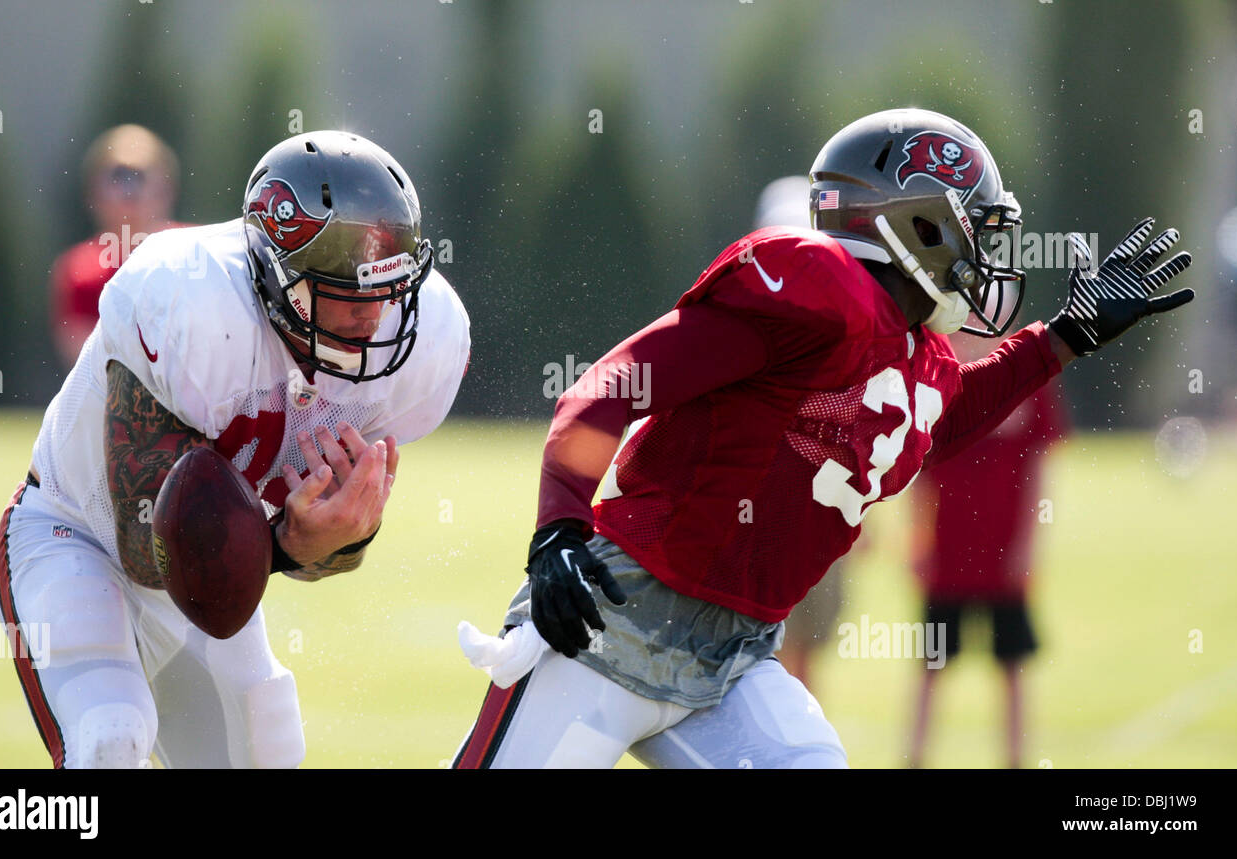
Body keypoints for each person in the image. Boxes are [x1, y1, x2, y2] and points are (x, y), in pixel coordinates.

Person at [455, 108, 1193, 768]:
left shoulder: (915, 355)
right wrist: (558, 527)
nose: (988, 254)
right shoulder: (816, 291)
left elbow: (940, 419)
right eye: (977, 227)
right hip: (610, 624)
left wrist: (1063, 338)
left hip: (733, 661)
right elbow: (611, 388)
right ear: (919, 225)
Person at [0, 131, 471, 768]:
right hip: (76, 533)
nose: (374, 321)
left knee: (265, 753)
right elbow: (146, 549)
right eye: (345, 296)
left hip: (204, 569)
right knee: (111, 736)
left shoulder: (424, 342)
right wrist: (284, 547)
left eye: (388, 292)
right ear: (277, 278)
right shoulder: (191, 303)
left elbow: (320, 553)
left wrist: (341, 538)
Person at [906, 331, 1070, 769]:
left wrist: (1029, 544)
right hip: (948, 548)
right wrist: (918, 540)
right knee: (932, 662)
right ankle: (915, 757)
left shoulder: (1028, 376)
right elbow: (918, 469)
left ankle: (1016, 758)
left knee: (1012, 663)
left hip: (1002, 549)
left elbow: (1037, 467)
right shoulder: (938, 375)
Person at [754, 175, 852, 692]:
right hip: (754, 522)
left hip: (817, 516)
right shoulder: (743, 328)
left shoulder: (845, 333)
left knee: (807, 648)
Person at [49, 125, 184, 368]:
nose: (128, 191)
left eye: (139, 176)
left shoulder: (195, 251)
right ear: (94, 193)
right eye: (118, 177)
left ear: (166, 189)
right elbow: (86, 360)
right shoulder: (79, 269)